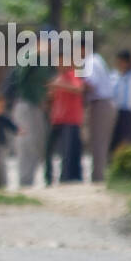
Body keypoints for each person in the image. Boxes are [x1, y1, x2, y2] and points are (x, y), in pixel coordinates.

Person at [8, 29, 56, 187]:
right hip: (26, 105)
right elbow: (21, 80)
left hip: (34, 106)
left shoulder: (41, 58)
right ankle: (25, 182)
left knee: (36, 143)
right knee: (27, 143)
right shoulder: (33, 56)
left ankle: (29, 181)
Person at [77, 35, 117, 182]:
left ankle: (98, 178)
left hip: (100, 105)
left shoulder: (90, 61)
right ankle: (98, 177)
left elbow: (90, 84)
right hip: (104, 104)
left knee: (98, 143)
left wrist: (73, 86)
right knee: (100, 142)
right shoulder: (96, 59)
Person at [47, 52, 85, 183]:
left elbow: (78, 89)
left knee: (68, 152)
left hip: (70, 120)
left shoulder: (72, 75)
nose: (60, 65)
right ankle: (50, 178)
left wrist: (59, 86)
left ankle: (68, 178)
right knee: (53, 150)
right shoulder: (58, 77)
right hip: (57, 119)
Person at [110, 50, 131, 153]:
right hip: (115, 111)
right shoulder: (113, 76)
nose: (120, 64)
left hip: (127, 111)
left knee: (127, 140)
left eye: (123, 62)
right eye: (119, 62)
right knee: (114, 139)